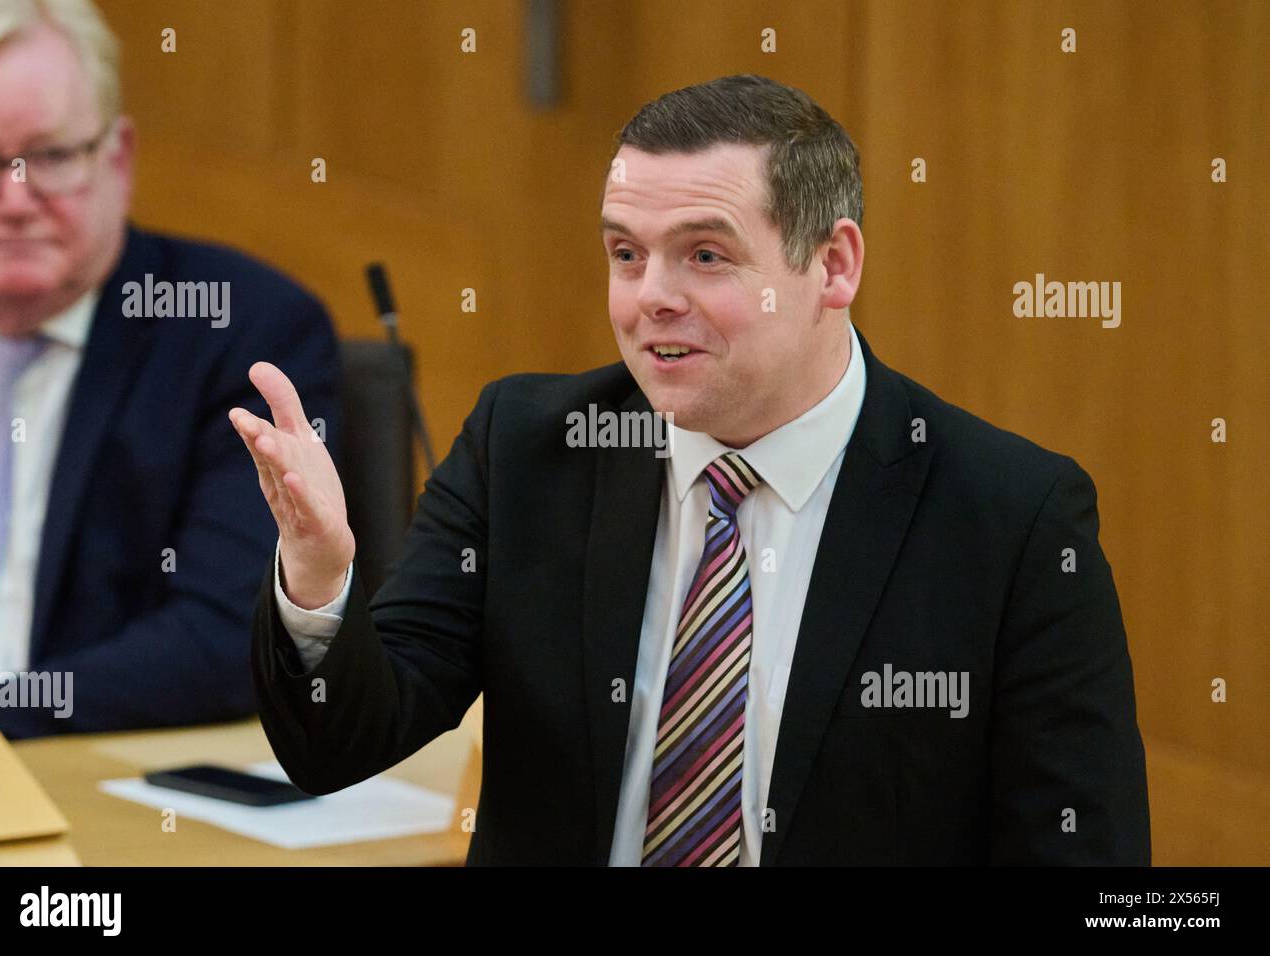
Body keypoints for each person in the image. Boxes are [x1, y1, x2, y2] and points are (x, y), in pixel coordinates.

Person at [233, 74, 1150, 865]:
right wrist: (317, 575)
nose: (650, 299)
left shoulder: (1010, 519)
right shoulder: (529, 450)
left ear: (832, 265)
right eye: (625, 254)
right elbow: (343, 743)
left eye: (704, 256)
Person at [0, 0, 341, 738]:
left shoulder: (237, 330)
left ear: (118, 159)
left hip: (89, 776)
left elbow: (227, 636)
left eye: (50, 157)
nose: (13, 200)